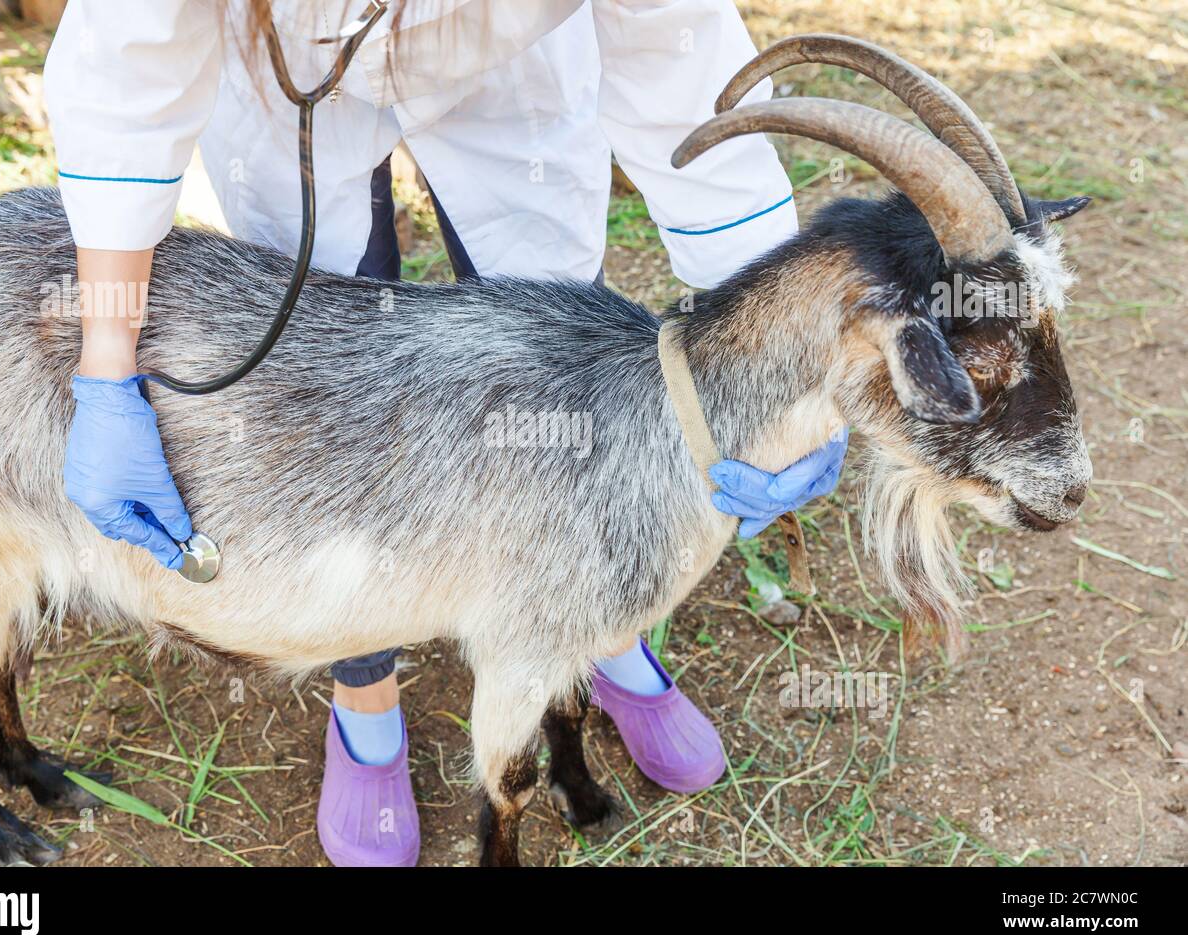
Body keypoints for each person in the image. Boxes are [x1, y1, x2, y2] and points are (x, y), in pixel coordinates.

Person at [44, 0, 847, 867]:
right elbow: (125, 80)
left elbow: (681, 67)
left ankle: (605, 629)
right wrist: (106, 368)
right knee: (330, 376)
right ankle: (364, 685)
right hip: (287, 84)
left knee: (554, 364)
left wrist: (782, 372)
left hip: (513, 70)